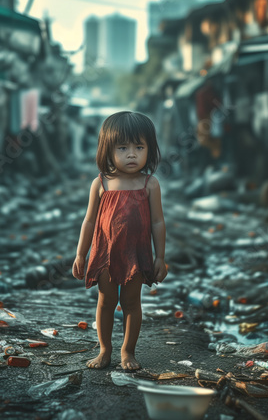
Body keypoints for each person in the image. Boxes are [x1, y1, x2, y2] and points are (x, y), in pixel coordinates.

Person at [72, 111, 167, 371]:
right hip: (105, 254)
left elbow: (158, 222)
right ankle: (104, 350)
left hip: (136, 255)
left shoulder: (150, 184)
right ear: (108, 149)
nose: (132, 154)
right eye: (123, 148)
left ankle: (128, 351)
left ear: (150, 149)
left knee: (131, 303)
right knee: (106, 302)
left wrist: (160, 257)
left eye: (139, 147)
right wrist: (80, 254)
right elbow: (88, 221)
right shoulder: (101, 183)